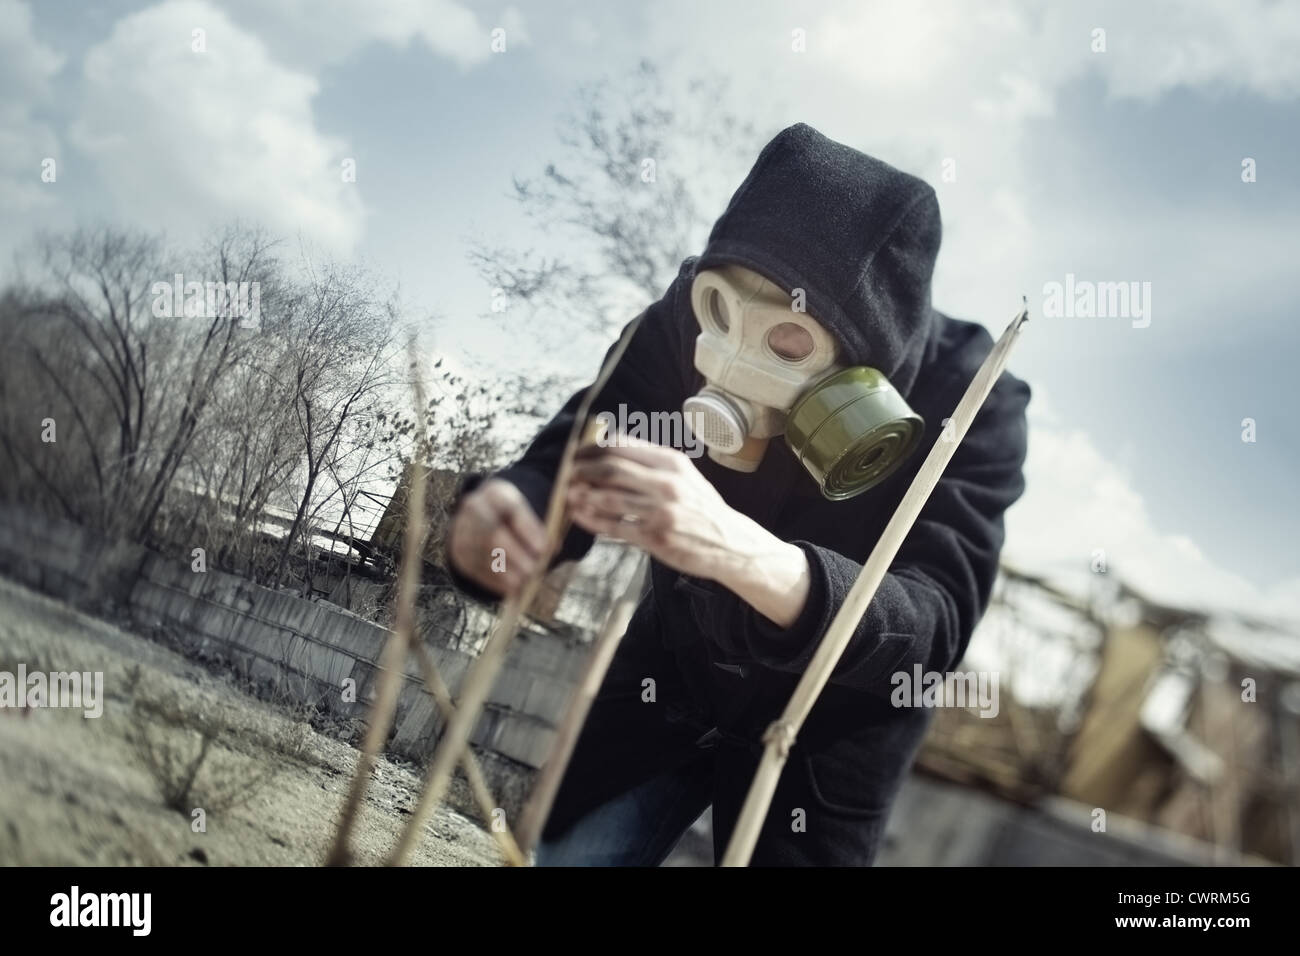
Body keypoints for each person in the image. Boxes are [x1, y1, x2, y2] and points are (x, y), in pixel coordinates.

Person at [446, 123, 1030, 866]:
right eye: (723, 313)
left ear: (867, 367)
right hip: (671, 669)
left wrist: (738, 551)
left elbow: (934, 626)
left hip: (826, 731)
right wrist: (506, 521)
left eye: (787, 339)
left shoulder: (973, 400)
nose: (730, 357)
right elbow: (577, 452)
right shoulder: (682, 319)